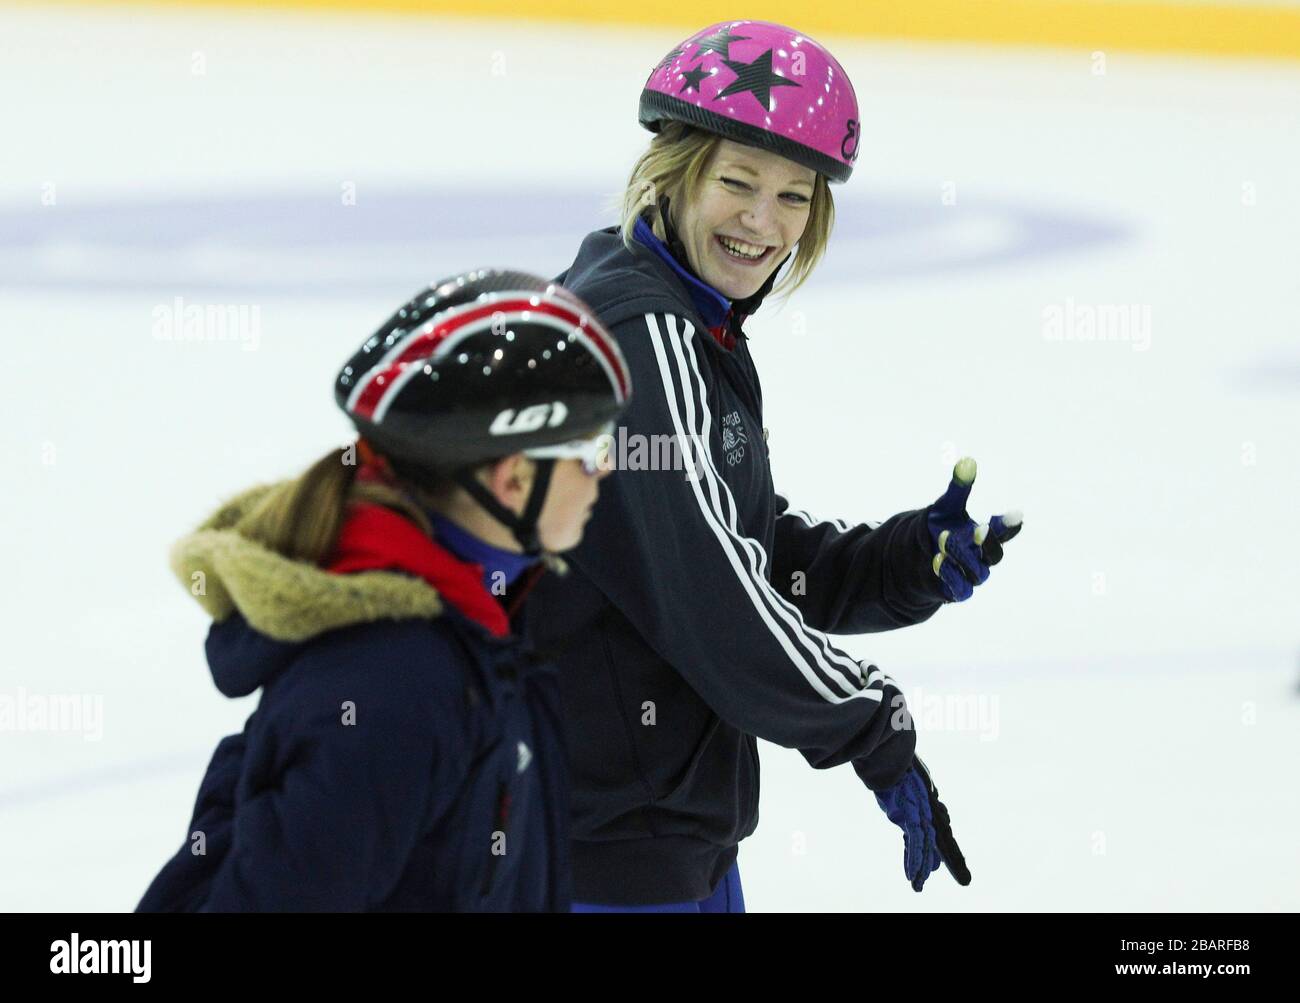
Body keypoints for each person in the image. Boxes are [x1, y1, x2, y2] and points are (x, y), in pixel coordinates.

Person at [526, 20, 1023, 911]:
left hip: (659, 832)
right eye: (737, 182)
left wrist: (898, 564)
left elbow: (736, 548)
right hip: (602, 855)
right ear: (675, 174)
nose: (763, 222)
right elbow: (718, 603)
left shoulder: (685, 315)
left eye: (795, 196)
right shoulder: (644, 337)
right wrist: (875, 727)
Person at [136, 269, 631, 911]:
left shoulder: (485, 622)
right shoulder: (394, 687)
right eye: (591, 448)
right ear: (513, 478)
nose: (610, 467)